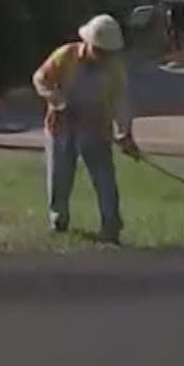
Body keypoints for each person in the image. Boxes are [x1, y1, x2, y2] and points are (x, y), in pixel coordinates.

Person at [33, 15, 140, 241]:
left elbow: (120, 102)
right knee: (59, 176)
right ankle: (58, 221)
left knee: (104, 179)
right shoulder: (65, 56)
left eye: (107, 53)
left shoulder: (114, 69)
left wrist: (124, 133)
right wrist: (58, 101)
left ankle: (111, 227)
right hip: (61, 127)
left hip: (95, 128)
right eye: (99, 51)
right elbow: (40, 79)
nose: (102, 56)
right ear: (89, 43)